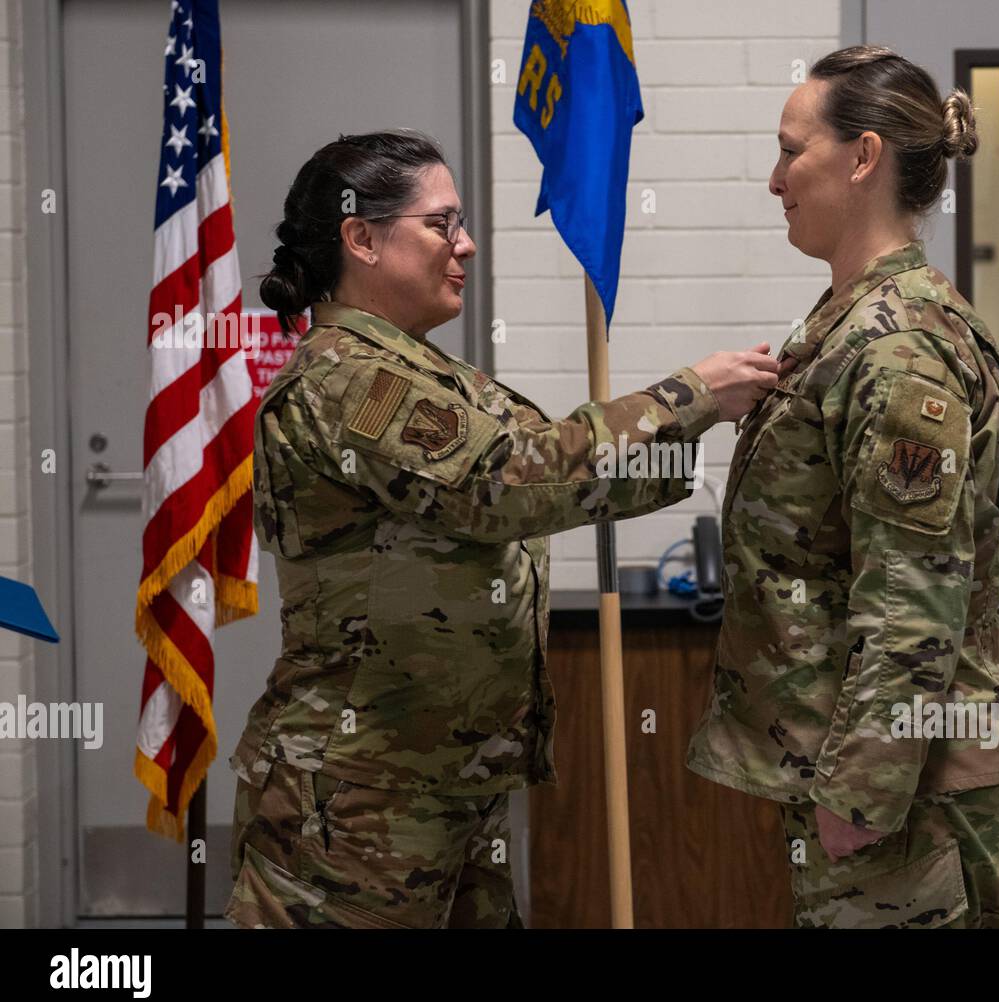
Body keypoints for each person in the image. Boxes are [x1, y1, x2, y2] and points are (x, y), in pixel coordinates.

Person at [225, 130, 779, 929]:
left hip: (444, 780)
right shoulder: (348, 380)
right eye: (442, 224)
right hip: (357, 798)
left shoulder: (422, 370)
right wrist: (691, 396)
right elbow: (508, 481)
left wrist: (703, 441)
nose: (467, 245)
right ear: (362, 237)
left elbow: (547, 477)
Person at [685, 45, 999, 928]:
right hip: (855, 762)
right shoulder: (847, 324)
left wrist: (864, 790)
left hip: (896, 787)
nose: (774, 179)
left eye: (791, 150)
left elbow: (914, 590)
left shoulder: (896, 345)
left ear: (864, 157)